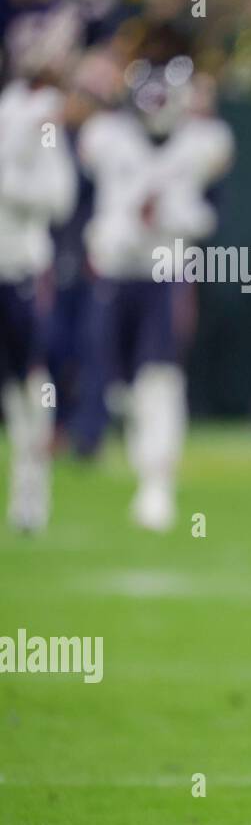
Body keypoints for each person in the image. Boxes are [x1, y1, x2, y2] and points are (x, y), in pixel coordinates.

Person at [77, 53, 233, 531]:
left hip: (166, 271)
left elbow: (210, 216)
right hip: (114, 269)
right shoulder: (107, 136)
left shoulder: (203, 141)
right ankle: (119, 442)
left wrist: (171, 218)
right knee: (116, 379)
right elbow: (83, 206)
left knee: (160, 378)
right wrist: (119, 227)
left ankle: (156, 486)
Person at [0, 54, 77, 532]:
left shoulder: (36, 114)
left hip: (22, 267)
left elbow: (60, 196)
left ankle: (32, 487)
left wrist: (10, 187)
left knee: (31, 378)